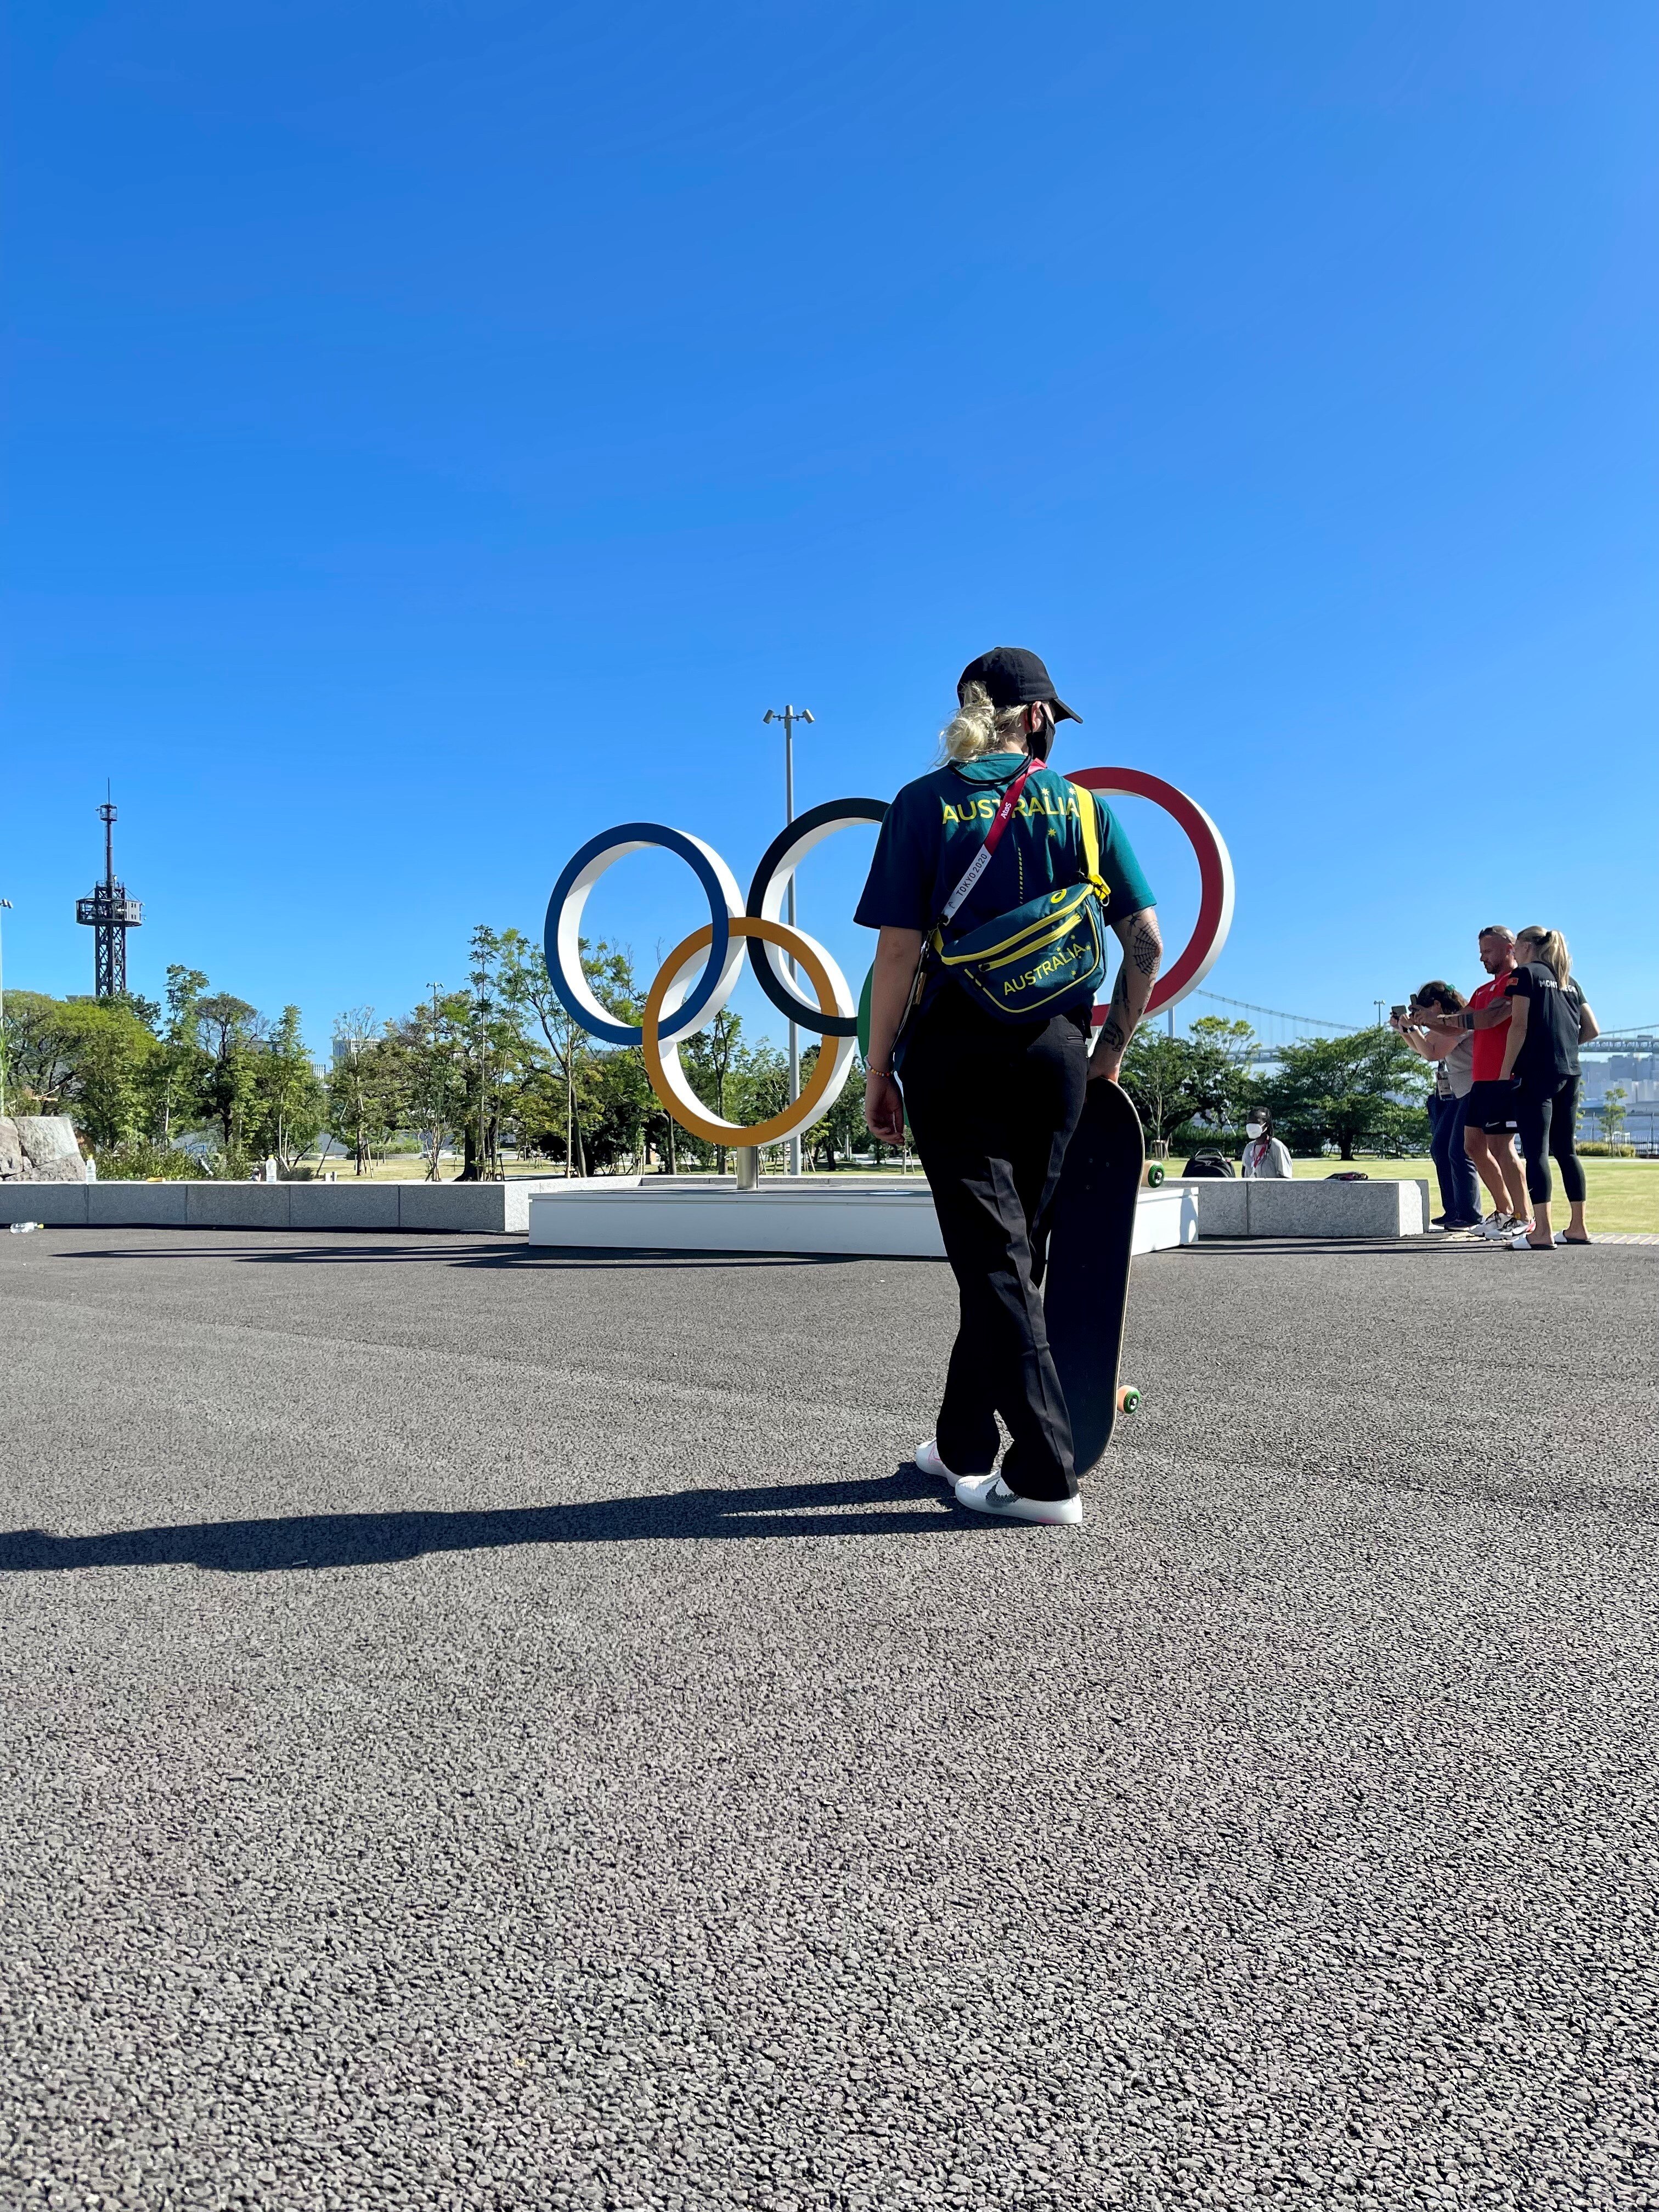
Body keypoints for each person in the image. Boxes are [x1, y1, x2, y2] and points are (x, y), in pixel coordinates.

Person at [857, 646, 1161, 1528]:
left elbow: (897, 952)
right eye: (1055, 722)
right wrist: (1109, 1049)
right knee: (1008, 1256)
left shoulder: (923, 803)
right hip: (1057, 1054)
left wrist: (879, 1071)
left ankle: (1042, 1474)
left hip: (955, 1052)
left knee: (992, 1258)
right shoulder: (1084, 809)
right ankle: (961, 1446)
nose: (1056, 736)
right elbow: (1144, 938)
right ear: (1034, 718)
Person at [1457, 926, 1598, 1249]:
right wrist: (1563, 1049)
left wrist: (1506, 1071)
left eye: (1517, 947)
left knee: (1536, 1153)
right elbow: (1592, 1029)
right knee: (1566, 1150)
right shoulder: (1569, 982)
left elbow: (1518, 1026)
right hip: (1570, 1072)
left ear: (1522, 946)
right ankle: (1578, 1227)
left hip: (1534, 1074)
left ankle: (1542, 1232)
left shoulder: (1524, 976)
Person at [1454, 927, 1534, 1240]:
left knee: (1502, 1146)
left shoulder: (1517, 983)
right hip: (1481, 1081)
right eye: (1481, 952)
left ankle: (1523, 1216)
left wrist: (1442, 1021)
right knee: (1473, 1146)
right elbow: (1458, 1026)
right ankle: (1503, 1213)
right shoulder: (1482, 990)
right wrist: (1421, 1023)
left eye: (1487, 951)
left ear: (1509, 947)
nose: (1482, 958)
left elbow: (1488, 1019)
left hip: (1504, 1077)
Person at [1391, 983, 1482, 1229]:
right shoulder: (1442, 1025)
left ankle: (1470, 1215)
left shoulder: (1459, 1022)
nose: (1419, 1016)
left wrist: (1413, 1029)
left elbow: (1433, 1053)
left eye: (1421, 1010)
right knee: (1441, 1149)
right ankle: (1454, 1210)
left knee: (1458, 1152)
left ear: (1437, 1006)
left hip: (1473, 1091)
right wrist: (1405, 1030)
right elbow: (1424, 1049)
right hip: (1457, 1093)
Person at [1239, 1107, 1293, 1179]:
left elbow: (1286, 1178)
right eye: (1249, 1123)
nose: (1251, 1126)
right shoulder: (1249, 1148)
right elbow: (1244, 1175)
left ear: (1266, 1125)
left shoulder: (1277, 1147)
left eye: (1256, 1123)